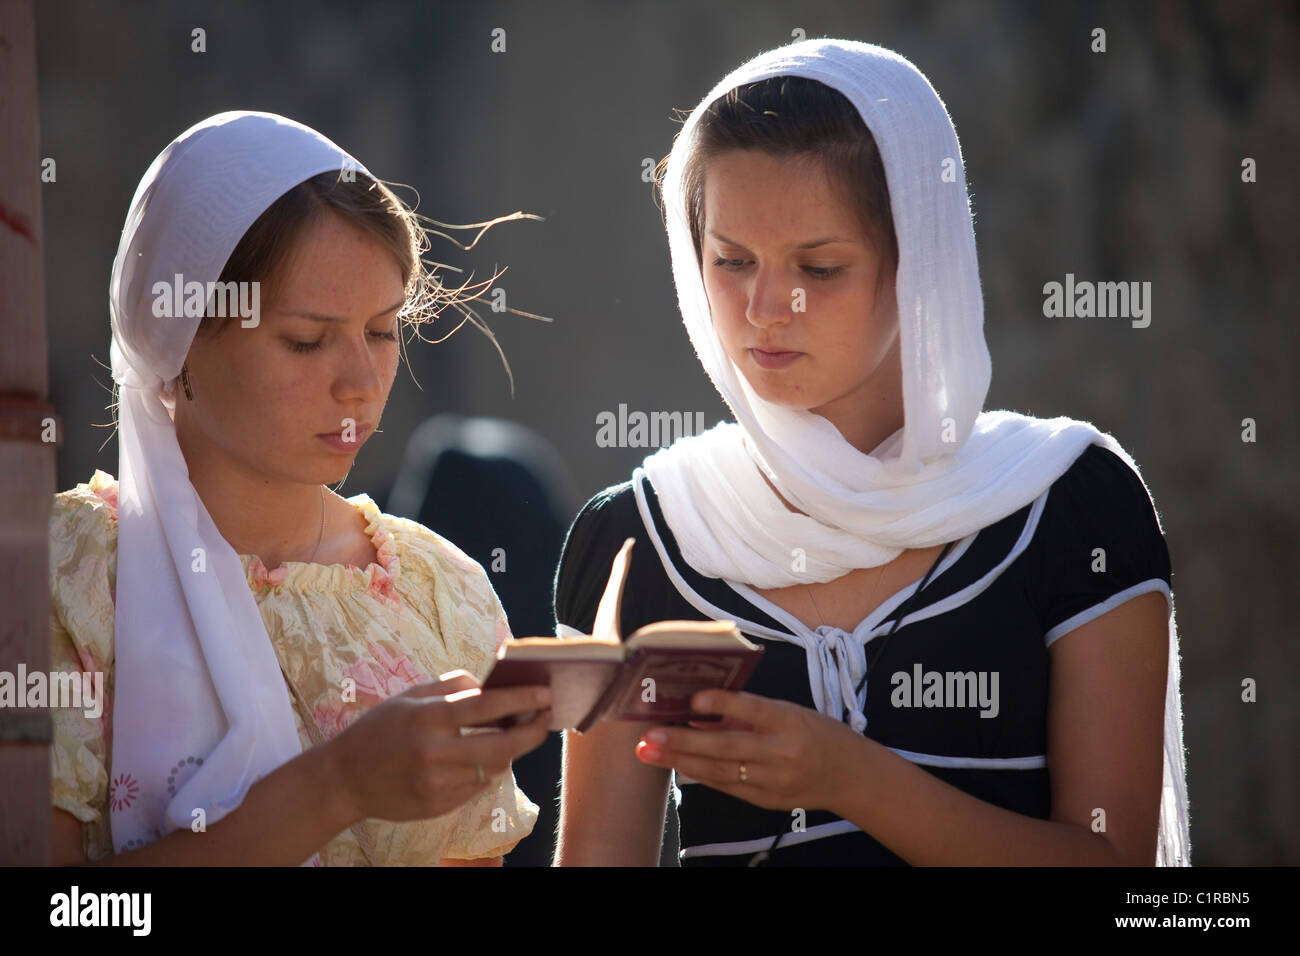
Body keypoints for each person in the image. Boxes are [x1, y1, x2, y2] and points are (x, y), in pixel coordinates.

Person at [553, 39, 1191, 866]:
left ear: (918, 262)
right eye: (731, 261)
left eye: (818, 268)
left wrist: (851, 778)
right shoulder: (644, 538)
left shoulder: (1065, 503)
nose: (764, 308)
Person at [48, 111, 552, 865]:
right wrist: (337, 786)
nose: (359, 383)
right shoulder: (70, 577)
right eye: (306, 341)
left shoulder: (439, 591)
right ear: (179, 342)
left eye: (383, 331)